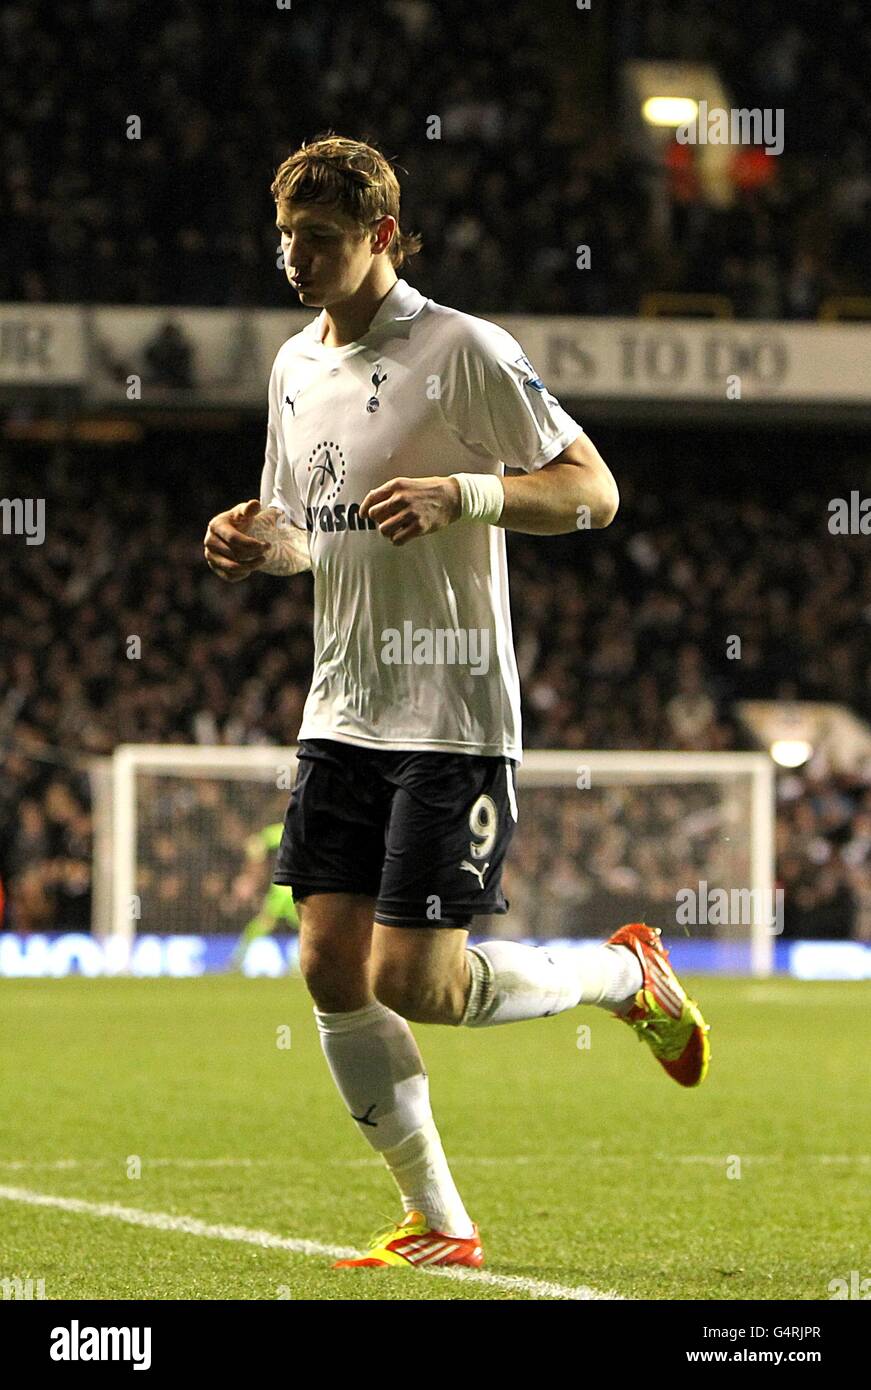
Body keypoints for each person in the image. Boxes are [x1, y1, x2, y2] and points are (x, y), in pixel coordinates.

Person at [203, 133, 709, 1271]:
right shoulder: (293, 366)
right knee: (329, 967)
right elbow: (303, 528)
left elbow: (595, 492)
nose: (295, 258)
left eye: (319, 239)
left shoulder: (464, 350)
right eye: (285, 238)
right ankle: (441, 1219)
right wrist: (252, 541)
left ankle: (624, 974)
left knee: (411, 982)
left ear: (381, 235)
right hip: (341, 708)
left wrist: (465, 492)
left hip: (452, 712)